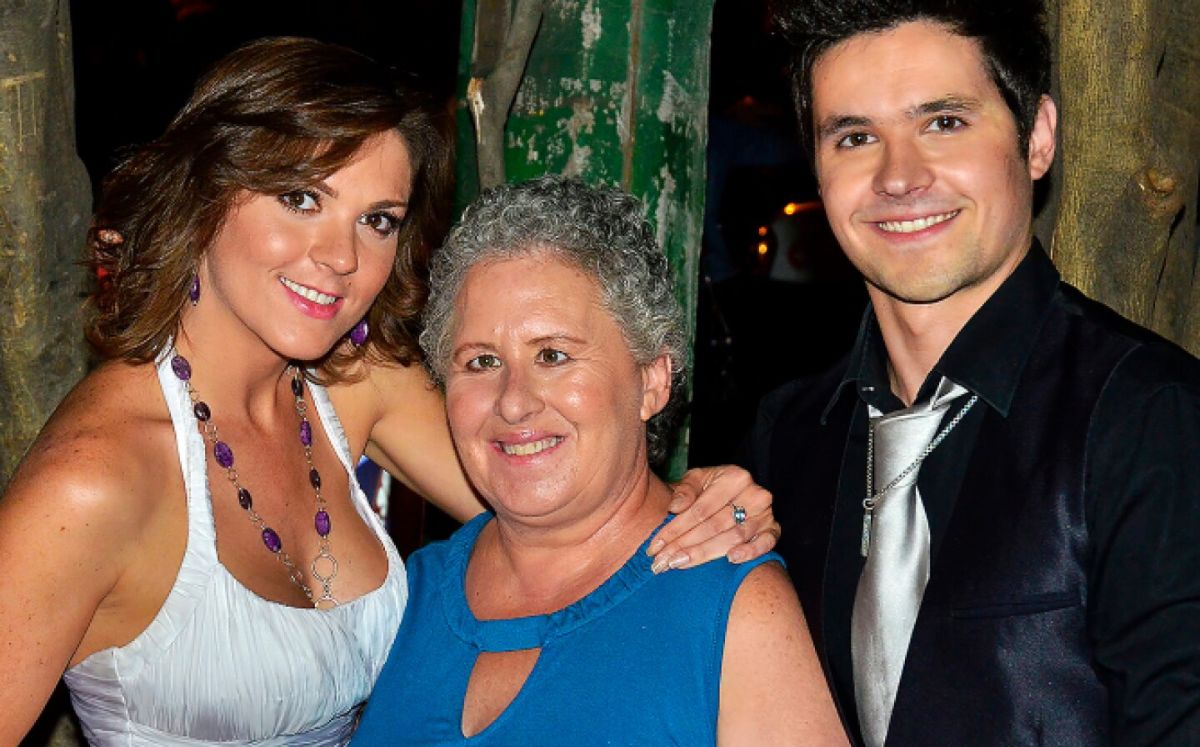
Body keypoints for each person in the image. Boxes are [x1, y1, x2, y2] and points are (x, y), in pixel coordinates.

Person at [0, 38, 776, 745]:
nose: (340, 256)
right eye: (301, 198)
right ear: (205, 191)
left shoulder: (355, 384)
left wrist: (698, 504)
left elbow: (570, 509)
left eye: (376, 219)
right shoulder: (93, 482)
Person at [747, 1, 1200, 745]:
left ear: (1038, 137)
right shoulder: (792, 435)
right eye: (856, 137)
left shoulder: (1152, 417)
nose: (898, 177)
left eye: (944, 122)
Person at [351, 176, 846, 745]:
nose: (513, 401)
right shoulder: (410, 594)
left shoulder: (732, 611)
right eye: (482, 361)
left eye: (553, 355)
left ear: (652, 381)